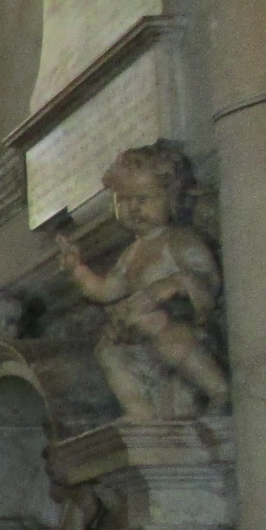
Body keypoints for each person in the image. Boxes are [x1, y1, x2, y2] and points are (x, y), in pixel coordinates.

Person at [57, 142, 229, 419]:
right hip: (138, 338)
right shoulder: (132, 254)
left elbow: (206, 279)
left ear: (170, 198)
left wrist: (173, 285)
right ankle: (140, 412)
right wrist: (77, 269)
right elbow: (106, 290)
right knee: (108, 351)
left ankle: (217, 388)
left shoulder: (178, 240)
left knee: (158, 326)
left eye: (143, 199)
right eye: (124, 200)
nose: (133, 209)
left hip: (182, 328)